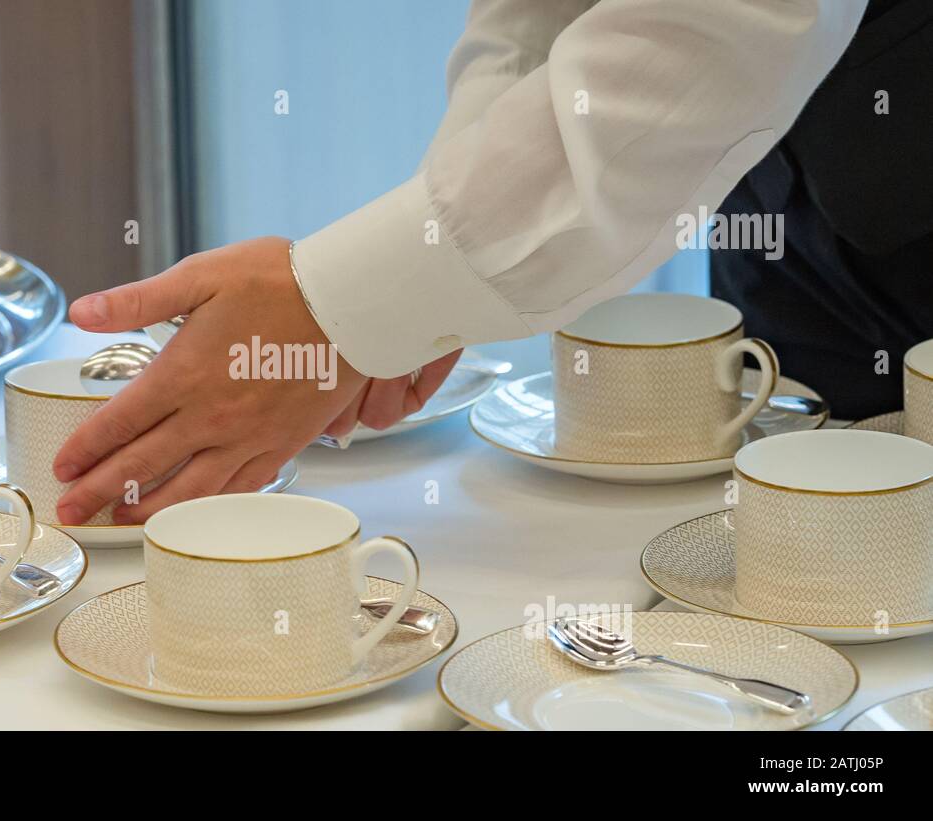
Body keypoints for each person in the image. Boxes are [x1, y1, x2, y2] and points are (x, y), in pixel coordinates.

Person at [52, 0, 871, 526]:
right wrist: (425, 279)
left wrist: (341, 303)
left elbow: (735, 18)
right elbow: (543, 14)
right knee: (804, 535)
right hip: (782, 207)